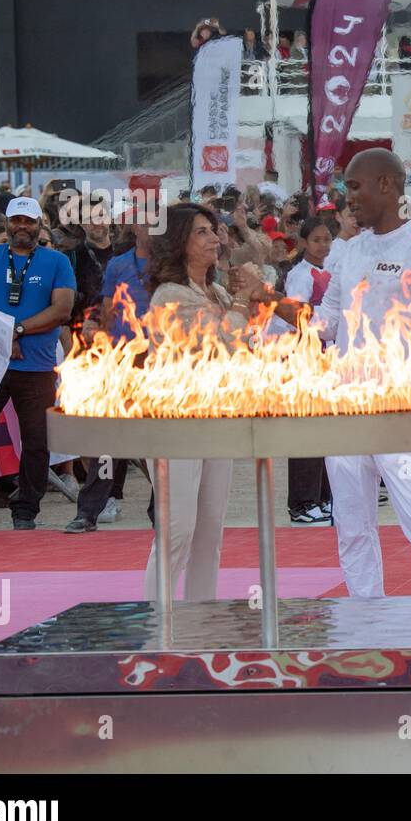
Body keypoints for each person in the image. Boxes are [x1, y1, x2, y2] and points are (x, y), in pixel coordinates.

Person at [315, 149, 411, 598]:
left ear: (387, 184)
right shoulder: (348, 251)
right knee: (352, 526)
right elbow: (327, 319)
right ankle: (367, 618)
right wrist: (276, 310)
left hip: (402, 409)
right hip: (344, 408)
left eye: (355, 186)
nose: (348, 197)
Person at [142, 203, 284, 601]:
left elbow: (243, 346)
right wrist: (241, 300)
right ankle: (158, 623)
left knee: (209, 534)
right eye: (202, 232)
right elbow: (214, 343)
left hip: (217, 416)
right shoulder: (170, 295)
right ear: (178, 243)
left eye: (215, 230)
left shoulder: (216, 292)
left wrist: (252, 299)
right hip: (177, 421)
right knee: (177, 532)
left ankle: (201, 618)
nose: (215, 239)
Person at [0, 197, 75, 531]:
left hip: (35, 366)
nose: (23, 226)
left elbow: (62, 310)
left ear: (40, 225)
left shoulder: (57, 261)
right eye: (16, 220)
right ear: (6, 223)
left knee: (36, 440)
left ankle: (26, 508)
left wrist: (16, 330)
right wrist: (5, 336)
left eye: (29, 221)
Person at [63, 212, 154, 533]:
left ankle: (162, 509)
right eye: (145, 222)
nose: (151, 228)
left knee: (157, 443)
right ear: (134, 227)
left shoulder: (172, 264)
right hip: (118, 362)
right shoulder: (118, 264)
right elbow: (107, 308)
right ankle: (88, 511)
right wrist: (95, 331)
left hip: (159, 365)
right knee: (107, 440)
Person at [282, 218, 334, 525]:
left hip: (329, 354)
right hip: (306, 355)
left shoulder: (331, 272)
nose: (323, 245)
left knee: (325, 429)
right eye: (316, 240)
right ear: (304, 242)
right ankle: (301, 502)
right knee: (306, 431)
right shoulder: (299, 276)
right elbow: (296, 315)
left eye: (327, 239)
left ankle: (323, 496)